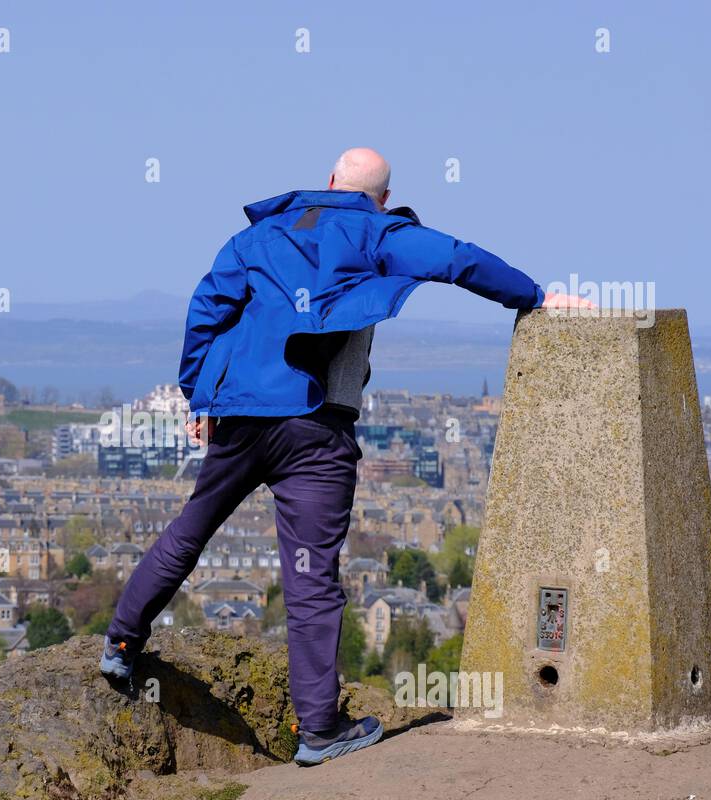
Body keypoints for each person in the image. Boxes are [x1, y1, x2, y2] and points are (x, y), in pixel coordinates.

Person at [99, 147, 592, 766]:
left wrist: (198, 394)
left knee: (189, 530)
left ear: (329, 180)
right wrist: (536, 296)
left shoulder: (257, 235)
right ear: (381, 198)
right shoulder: (375, 229)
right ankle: (319, 731)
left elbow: (207, 310)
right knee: (309, 580)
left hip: (240, 416)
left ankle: (120, 643)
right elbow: (457, 260)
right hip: (315, 429)